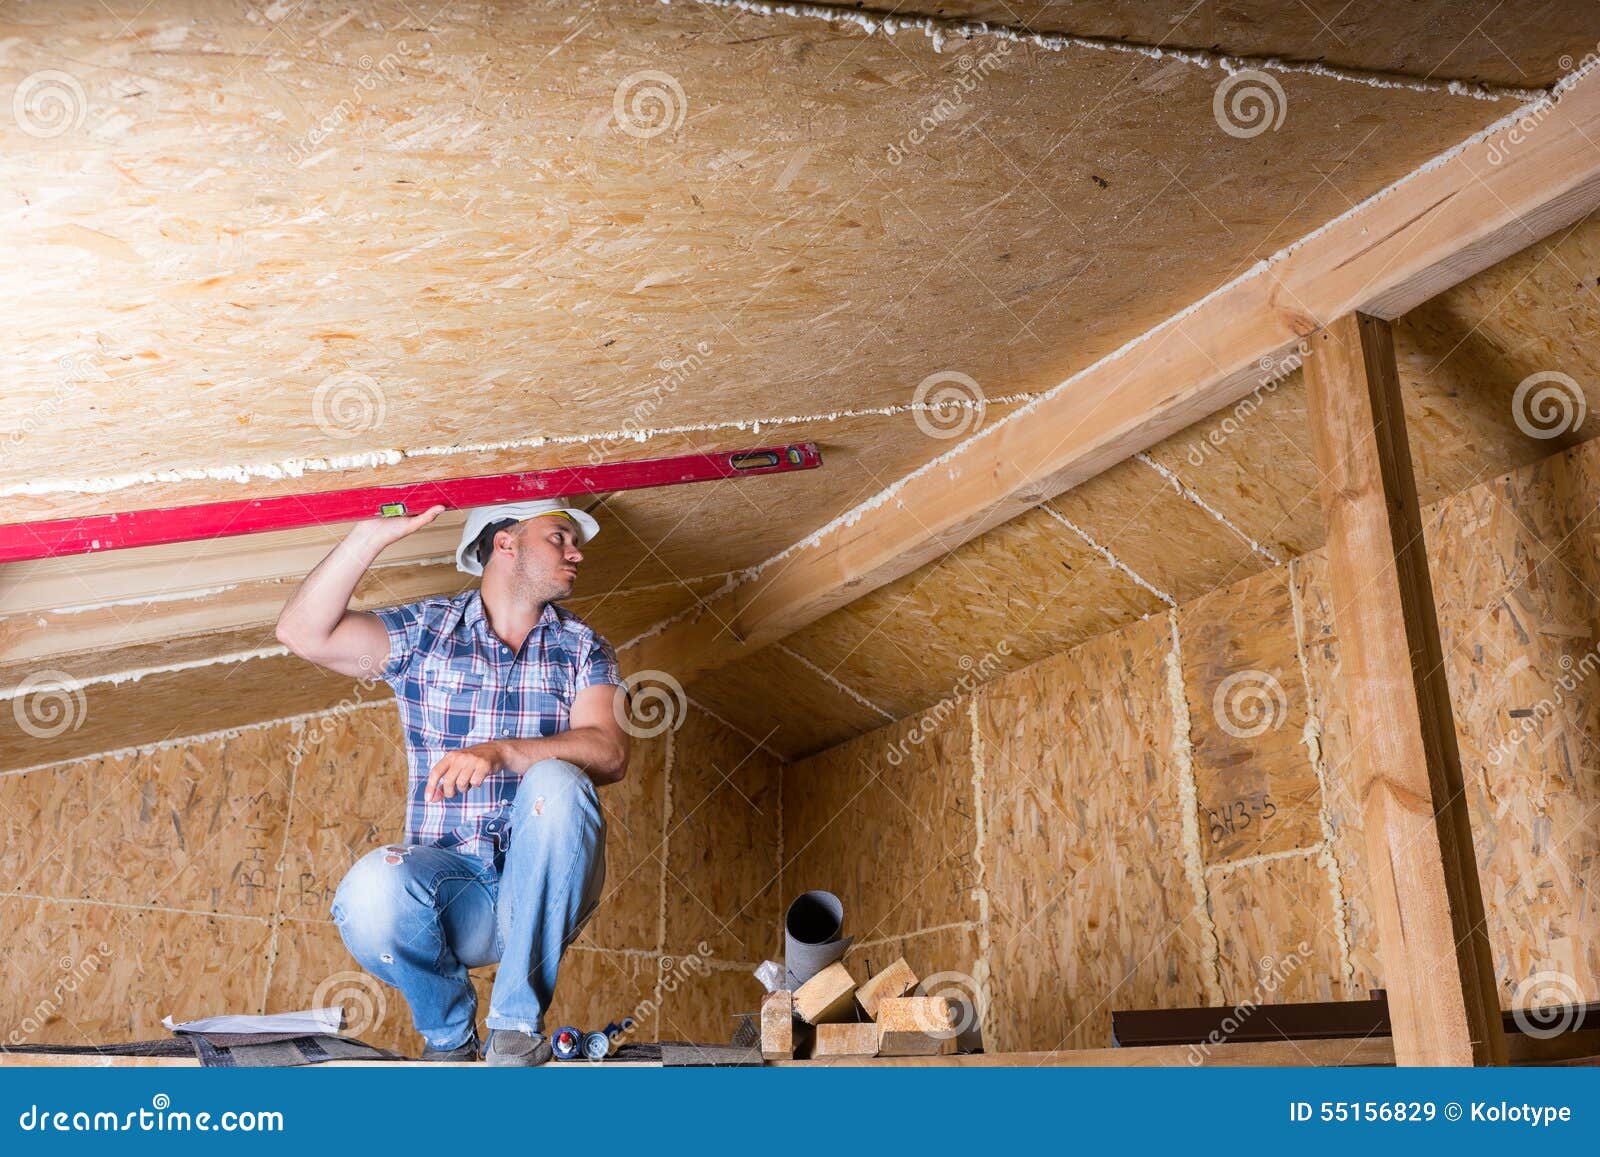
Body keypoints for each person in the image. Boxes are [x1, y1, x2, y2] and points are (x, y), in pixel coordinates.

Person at [274, 497, 629, 1066]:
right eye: (558, 537)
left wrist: (506, 753)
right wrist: (368, 537)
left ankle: (514, 1031)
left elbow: (610, 753)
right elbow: (300, 633)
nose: (576, 552)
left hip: (539, 895)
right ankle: (450, 1041)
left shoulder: (583, 647)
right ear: (506, 543)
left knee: (559, 783)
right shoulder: (427, 632)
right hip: (449, 903)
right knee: (370, 890)